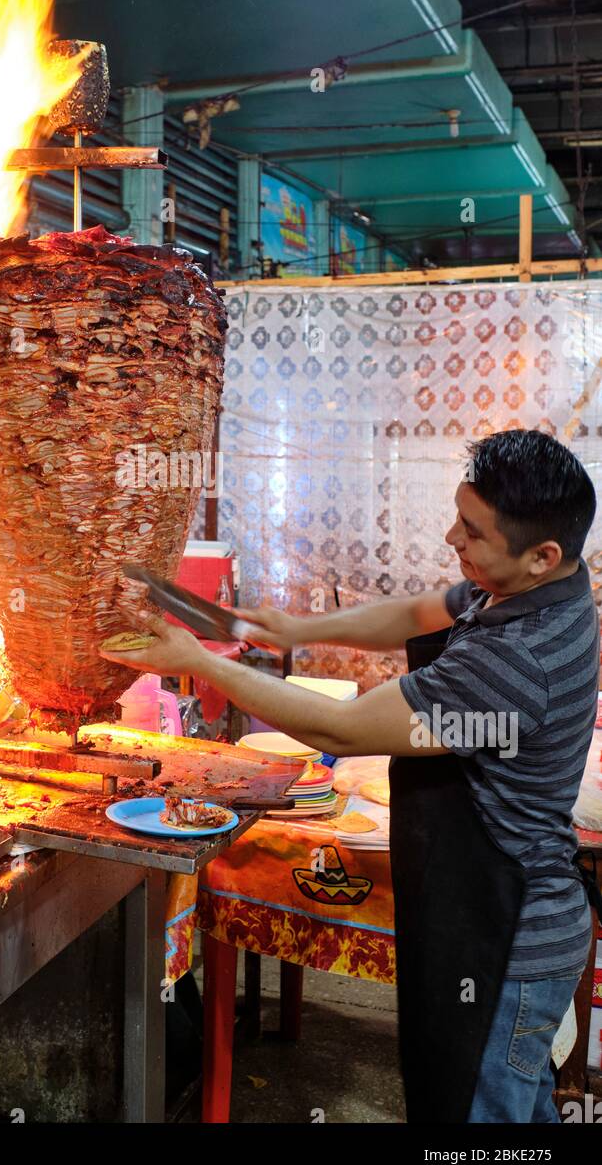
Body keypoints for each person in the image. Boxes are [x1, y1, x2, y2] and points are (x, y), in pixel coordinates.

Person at [102, 429, 601, 1124]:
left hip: (506, 940)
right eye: (459, 514)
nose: (453, 536)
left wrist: (204, 660)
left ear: (542, 554)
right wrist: (298, 631)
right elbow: (415, 613)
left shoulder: (518, 660)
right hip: (494, 915)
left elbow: (342, 728)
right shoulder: (534, 584)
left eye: (474, 531)